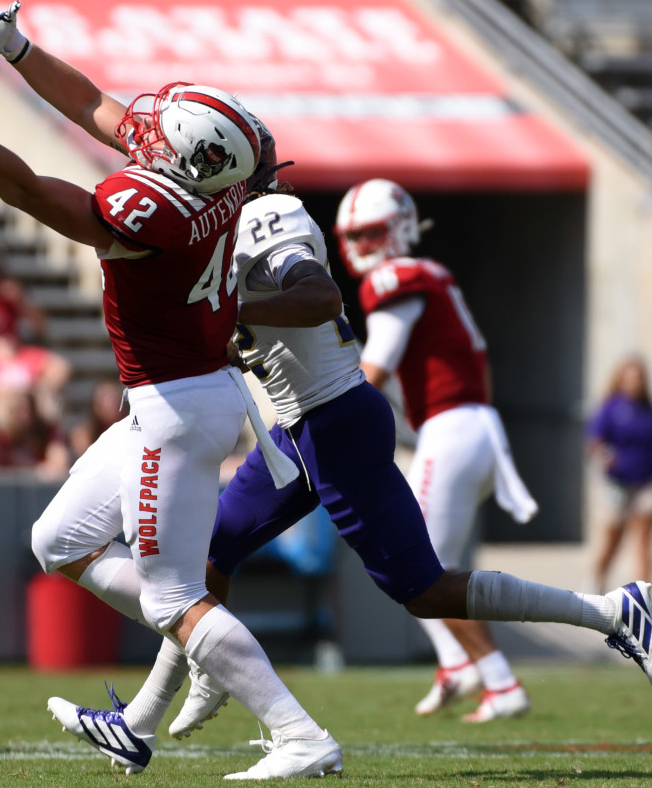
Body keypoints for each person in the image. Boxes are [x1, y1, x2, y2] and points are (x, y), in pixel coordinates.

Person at [36, 144, 652, 773]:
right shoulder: (221, 229)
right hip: (295, 429)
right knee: (209, 557)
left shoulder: (268, 216)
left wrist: (231, 314)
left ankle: (610, 612)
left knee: (424, 590)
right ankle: (146, 719)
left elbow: (320, 296)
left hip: (334, 421)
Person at [0, 0, 338, 780]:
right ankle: (198, 650)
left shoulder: (157, 212)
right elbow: (93, 105)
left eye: (168, 130)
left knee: (174, 599)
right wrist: (16, 47)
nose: (150, 125)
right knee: (59, 540)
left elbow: (34, 193)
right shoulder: (220, 178)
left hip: (178, 406)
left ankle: (295, 729)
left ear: (190, 158)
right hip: (179, 394)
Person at [338, 178, 541, 721]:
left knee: (422, 569)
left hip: (453, 427)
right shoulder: (432, 274)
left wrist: (329, 418)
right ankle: (456, 664)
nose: (360, 245)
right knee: (417, 562)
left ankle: (499, 680)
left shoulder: (394, 278)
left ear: (400, 227)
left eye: (370, 232)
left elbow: (378, 364)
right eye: (351, 236)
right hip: (471, 424)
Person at [586, 355, 652, 592]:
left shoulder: (647, 409)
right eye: (630, 378)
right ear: (621, 379)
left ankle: (643, 594)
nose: (635, 382)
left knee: (642, 542)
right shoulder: (612, 407)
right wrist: (605, 456)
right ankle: (598, 579)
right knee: (614, 538)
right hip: (617, 483)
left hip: (644, 483)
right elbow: (594, 440)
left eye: (638, 378)